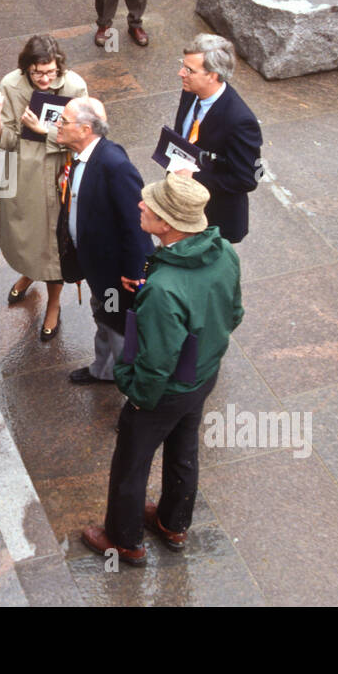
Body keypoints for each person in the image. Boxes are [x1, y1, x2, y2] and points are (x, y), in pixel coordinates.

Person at [81, 172, 243, 564]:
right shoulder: (224, 252)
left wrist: (136, 395)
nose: (140, 204)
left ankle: (124, 540)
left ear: (167, 224)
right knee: (184, 449)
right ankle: (173, 523)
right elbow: (233, 313)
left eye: (149, 205)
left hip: (164, 391)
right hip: (203, 376)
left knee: (131, 464)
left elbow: (155, 364)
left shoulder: (164, 287)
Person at [0, 35, 88, 341]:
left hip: (60, 172)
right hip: (24, 173)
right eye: (37, 73)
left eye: (51, 72)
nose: (44, 78)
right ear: (25, 68)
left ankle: (53, 303)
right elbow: (8, 140)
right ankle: (29, 273)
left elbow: (85, 137)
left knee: (56, 242)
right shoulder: (11, 86)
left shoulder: (75, 87)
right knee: (27, 234)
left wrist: (46, 132)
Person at [55, 97, 154, 384]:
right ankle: (104, 370)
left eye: (63, 121)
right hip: (97, 268)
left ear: (85, 129)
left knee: (119, 326)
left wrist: (135, 273)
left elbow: (136, 224)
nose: (57, 125)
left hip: (116, 276)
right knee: (103, 317)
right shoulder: (83, 156)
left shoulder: (114, 165)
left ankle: (129, 390)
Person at [170, 34, 263, 243]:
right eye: (182, 66)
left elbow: (247, 178)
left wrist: (194, 178)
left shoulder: (240, 120)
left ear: (212, 76)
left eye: (189, 70)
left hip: (213, 220)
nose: (181, 73)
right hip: (181, 206)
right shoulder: (191, 90)